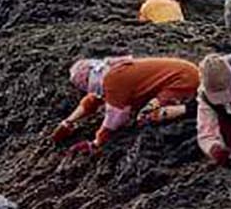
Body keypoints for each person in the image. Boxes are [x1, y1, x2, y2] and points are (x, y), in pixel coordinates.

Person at [53, 55, 201, 150]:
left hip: (181, 80)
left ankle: (193, 108)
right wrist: (68, 122)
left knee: (146, 116)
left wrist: (97, 143)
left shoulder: (112, 81)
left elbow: (116, 117)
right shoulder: (108, 71)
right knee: (143, 110)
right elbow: (94, 99)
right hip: (185, 71)